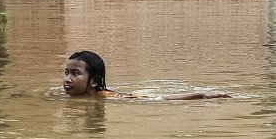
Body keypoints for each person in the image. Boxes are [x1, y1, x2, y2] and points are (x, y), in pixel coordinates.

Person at [63, 51, 229, 100]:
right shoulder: (66, 95)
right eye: (66, 72)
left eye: (75, 74)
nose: (67, 79)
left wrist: (202, 95)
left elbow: (161, 98)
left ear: (94, 81)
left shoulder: (107, 97)